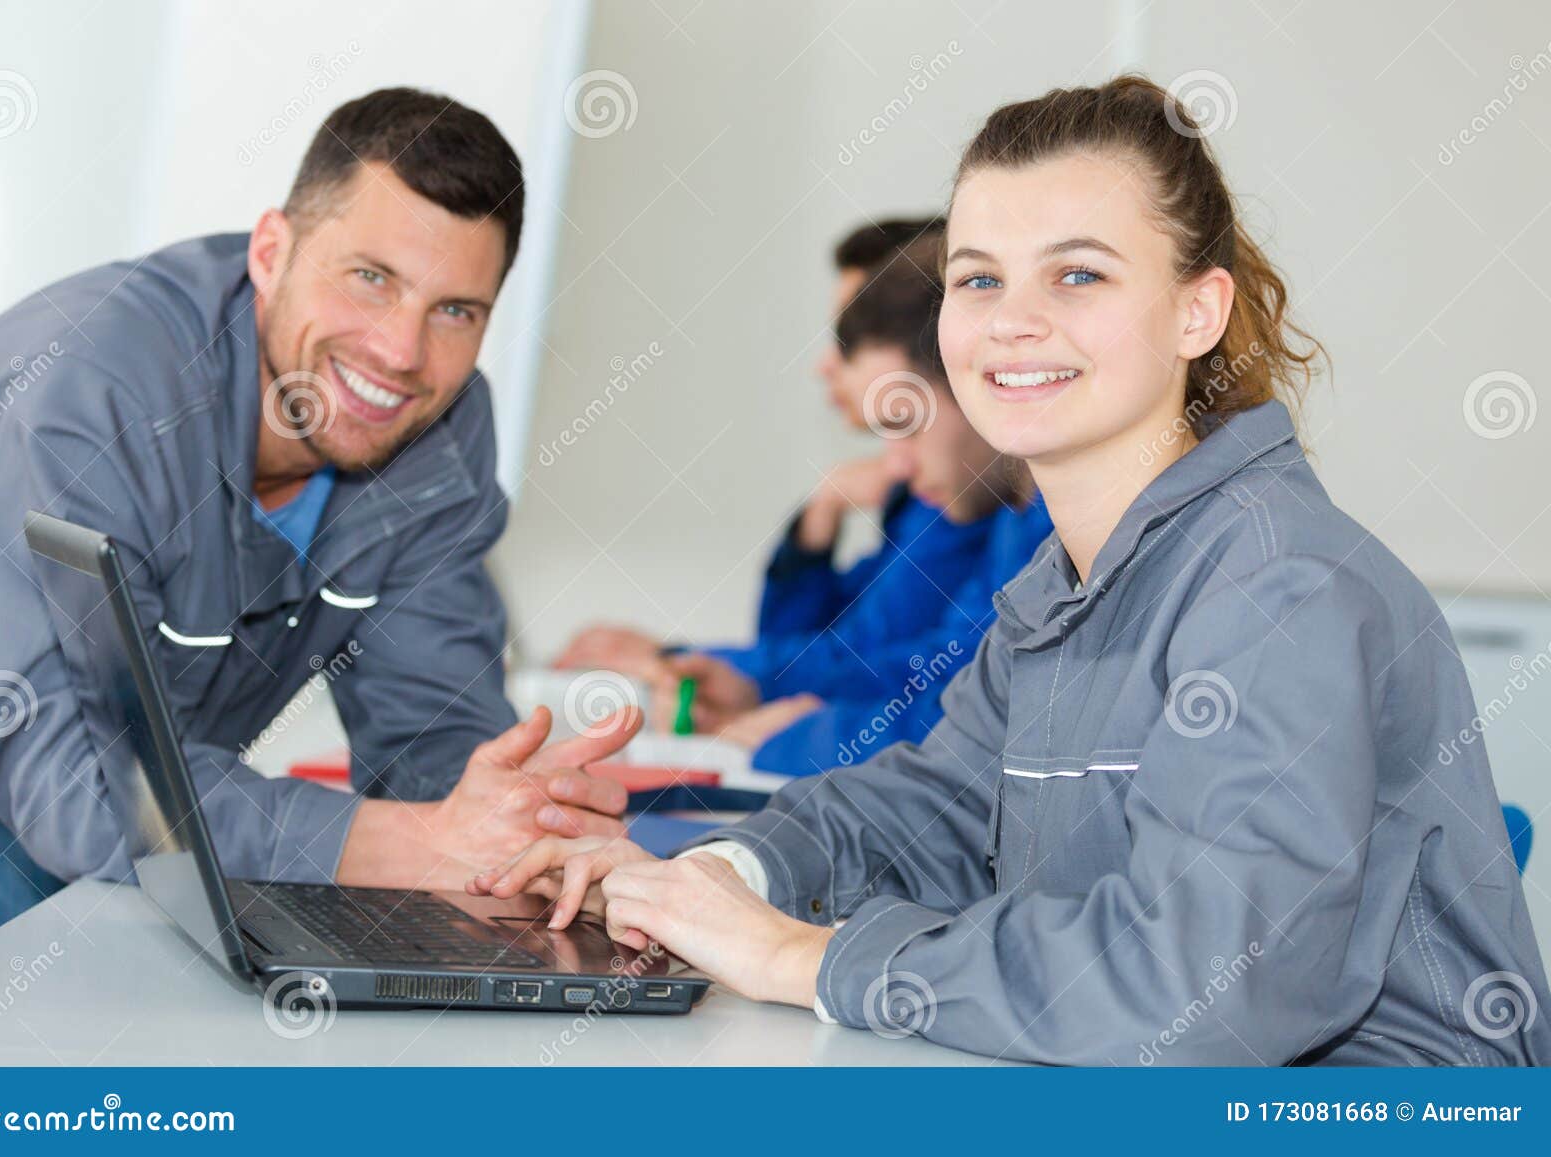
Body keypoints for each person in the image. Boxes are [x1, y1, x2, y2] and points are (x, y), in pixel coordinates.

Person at [473, 76, 1551, 1065]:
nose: (1013, 319)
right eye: (977, 276)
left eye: (1077, 273)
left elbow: (1204, 993)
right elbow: (933, 805)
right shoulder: (1068, 581)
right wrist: (716, 877)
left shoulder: (1280, 585)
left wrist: (801, 958)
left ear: (1197, 310)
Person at [0, 88, 632, 951]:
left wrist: (517, 827)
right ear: (272, 251)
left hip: (128, 825)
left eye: (455, 311)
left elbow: (434, 729)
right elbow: (77, 784)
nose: (401, 353)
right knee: (82, 988)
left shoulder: (442, 433)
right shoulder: (107, 389)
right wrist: (414, 842)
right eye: (371, 278)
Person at [552, 218, 999, 703]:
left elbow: (879, 657)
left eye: (851, 340)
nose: (828, 365)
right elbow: (814, 636)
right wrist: (818, 520)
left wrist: (703, 668)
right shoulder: (931, 482)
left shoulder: (965, 494)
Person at [660, 238, 1052, 772]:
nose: (898, 463)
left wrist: (800, 732)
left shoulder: (1056, 516)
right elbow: (938, 663)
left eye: (905, 423)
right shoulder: (1011, 511)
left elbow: (989, 729)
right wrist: (755, 682)